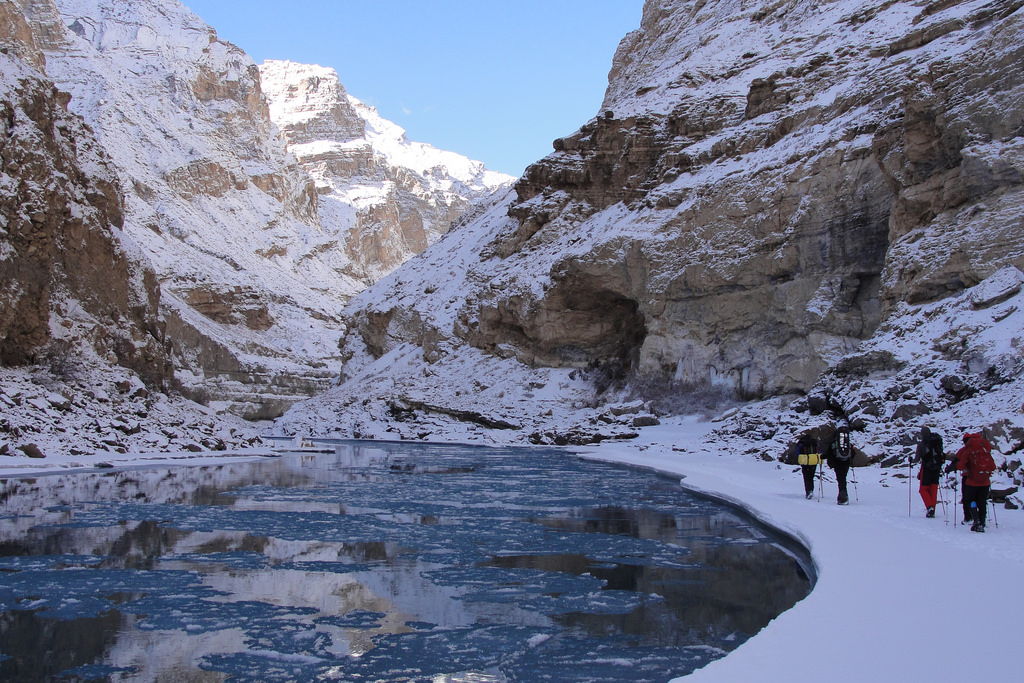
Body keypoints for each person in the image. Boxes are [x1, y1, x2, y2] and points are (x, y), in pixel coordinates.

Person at [946, 431, 995, 532]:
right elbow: (993, 466)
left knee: (969, 500)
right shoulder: (985, 450)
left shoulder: (967, 451)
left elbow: (960, 466)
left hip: (971, 482)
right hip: (985, 482)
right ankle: (982, 522)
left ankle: (974, 519)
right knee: (982, 501)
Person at [914, 426, 944, 518]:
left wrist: (911, 461)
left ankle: (929, 507)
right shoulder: (936, 442)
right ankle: (932, 510)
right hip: (936, 469)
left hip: (926, 469)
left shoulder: (921, 445)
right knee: (933, 489)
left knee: (923, 489)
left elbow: (917, 459)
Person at [827, 424, 853, 505]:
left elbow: (829, 453)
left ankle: (843, 498)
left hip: (838, 463)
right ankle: (842, 496)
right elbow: (853, 453)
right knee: (843, 479)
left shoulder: (834, 444)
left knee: (841, 480)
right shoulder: (848, 443)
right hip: (846, 463)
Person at [794, 434, 821, 500]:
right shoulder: (815, 442)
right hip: (814, 462)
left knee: (806, 477)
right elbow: (820, 451)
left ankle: (809, 491)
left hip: (805, 462)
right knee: (811, 477)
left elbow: (797, 453)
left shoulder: (802, 443)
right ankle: (811, 490)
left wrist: (799, 460)